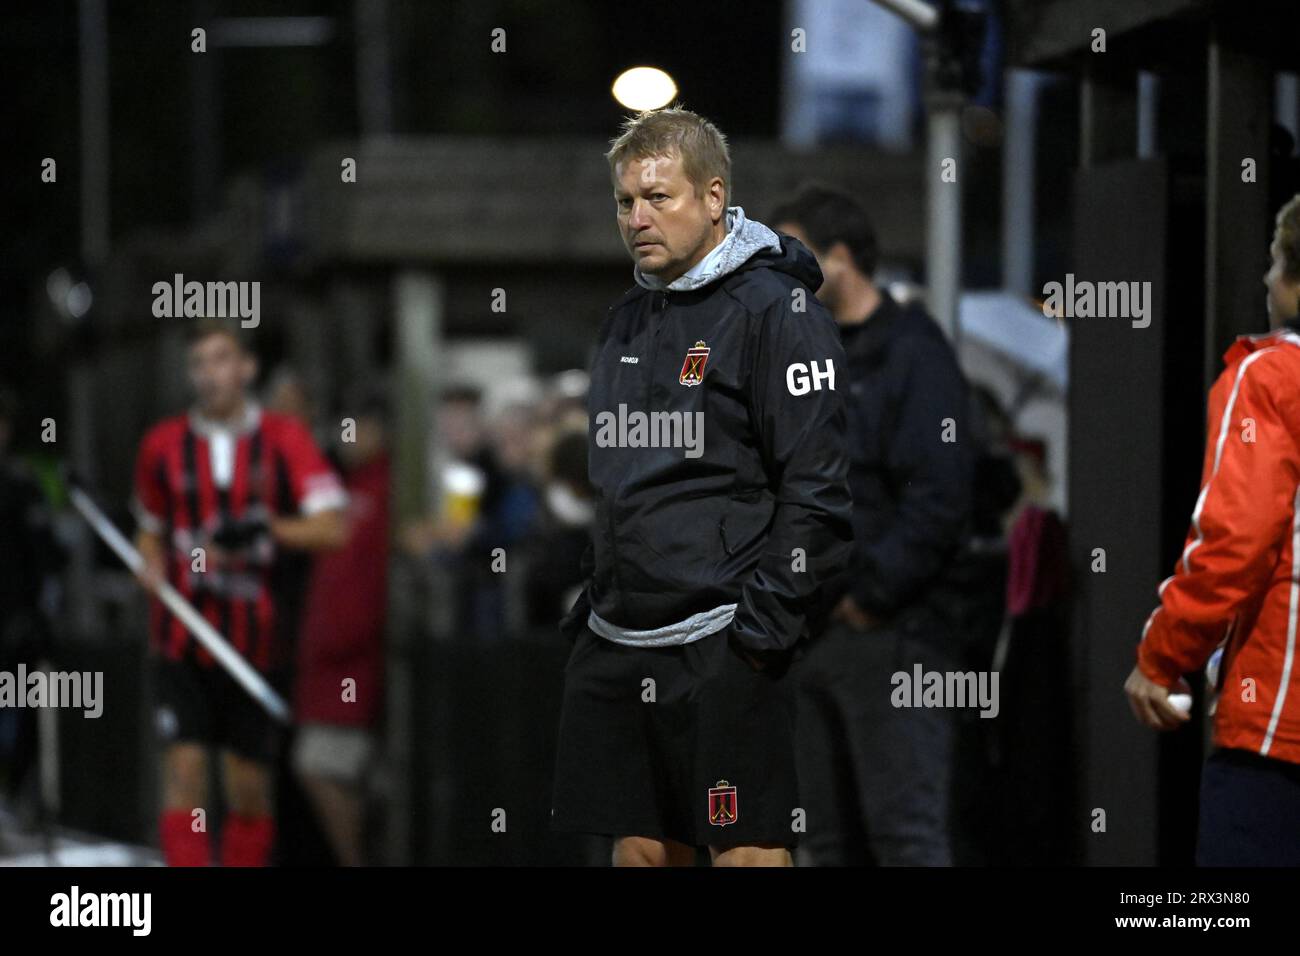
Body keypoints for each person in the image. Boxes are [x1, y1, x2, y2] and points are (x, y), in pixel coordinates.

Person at [550, 107, 854, 867]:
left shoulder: (777, 311)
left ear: (715, 199)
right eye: (626, 202)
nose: (638, 218)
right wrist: (598, 601)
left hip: (723, 642)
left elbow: (816, 493)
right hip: (623, 639)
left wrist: (757, 636)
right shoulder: (626, 317)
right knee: (642, 856)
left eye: (659, 197)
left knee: (748, 854)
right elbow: (622, 482)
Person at [770, 183, 975, 865]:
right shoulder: (802, 353)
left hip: (891, 635)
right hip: (817, 631)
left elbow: (939, 498)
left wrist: (870, 598)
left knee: (905, 837)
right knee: (825, 844)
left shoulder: (913, 351)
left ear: (840, 259)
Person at [132, 319, 346, 866]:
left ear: (247, 368)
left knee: (247, 785)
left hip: (256, 641)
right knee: (184, 772)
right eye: (199, 363)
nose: (210, 375)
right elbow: (149, 525)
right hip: (181, 638)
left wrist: (265, 528)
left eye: (221, 359)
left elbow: (332, 526)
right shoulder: (162, 445)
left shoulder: (283, 439)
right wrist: (151, 559)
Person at [1127, 195, 1300, 866]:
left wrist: (1162, 656)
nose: (1264, 281)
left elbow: (1234, 542)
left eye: (1277, 262)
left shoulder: (1269, 376)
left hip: (1277, 732)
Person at [293, 386, 390, 866]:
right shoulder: (344, 489)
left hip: (358, 663)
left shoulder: (387, 489)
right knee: (327, 767)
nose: (347, 437)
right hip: (327, 666)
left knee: (321, 766)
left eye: (356, 426)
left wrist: (344, 639)